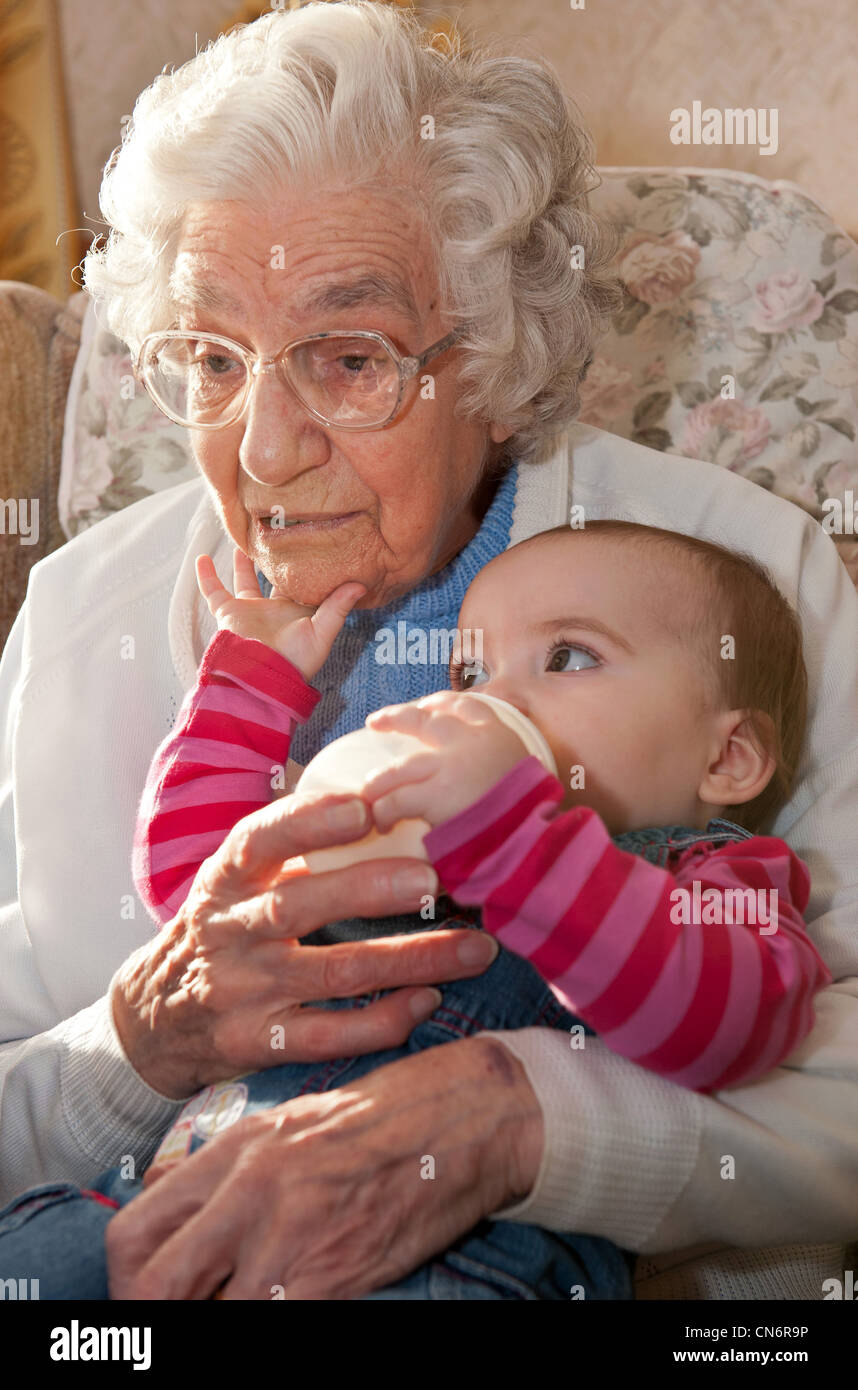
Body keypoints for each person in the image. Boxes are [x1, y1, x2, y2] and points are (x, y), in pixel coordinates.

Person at [1, 3, 856, 1301]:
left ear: (494, 347)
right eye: (213, 359)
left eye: (349, 357)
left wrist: (517, 1119)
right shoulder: (77, 619)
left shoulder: (734, 574)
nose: (264, 446)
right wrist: (140, 1035)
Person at [0, 521, 832, 1298]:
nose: (490, 704)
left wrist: (517, 841)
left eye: (569, 658)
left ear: (727, 758)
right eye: (471, 673)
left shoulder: (716, 877)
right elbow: (201, 893)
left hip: (442, 1264)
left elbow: (725, 1026)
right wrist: (251, 684)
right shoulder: (406, 838)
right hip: (160, 1209)